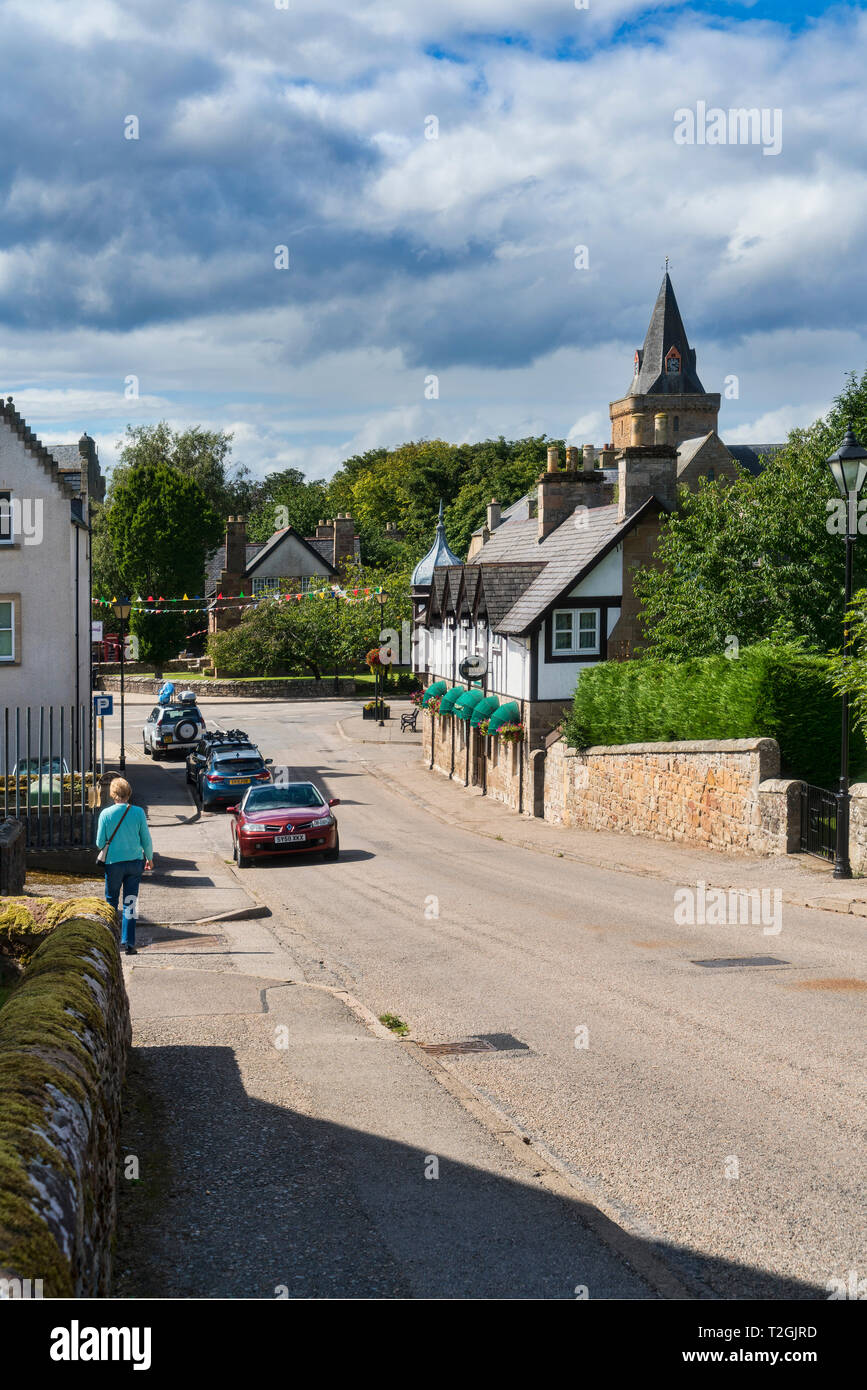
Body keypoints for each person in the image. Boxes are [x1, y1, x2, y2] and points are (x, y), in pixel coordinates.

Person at [96, 777, 153, 956]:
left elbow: (99, 843)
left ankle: (111, 941)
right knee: (130, 902)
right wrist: (149, 858)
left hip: (113, 864)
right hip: (135, 862)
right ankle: (129, 943)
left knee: (111, 901)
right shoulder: (138, 813)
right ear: (128, 793)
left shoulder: (105, 814)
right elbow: (146, 839)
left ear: (113, 794)